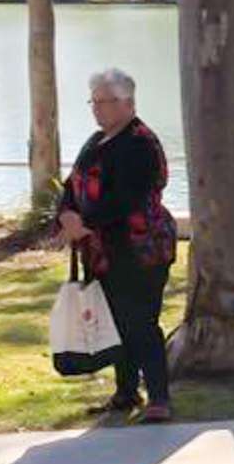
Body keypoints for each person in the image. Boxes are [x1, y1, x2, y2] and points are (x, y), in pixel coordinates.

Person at [57, 68, 177, 423]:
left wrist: (85, 222)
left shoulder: (141, 143)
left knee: (140, 323)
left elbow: (127, 198)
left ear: (128, 103)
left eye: (105, 102)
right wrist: (66, 215)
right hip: (102, 252)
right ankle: (126, 393)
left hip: (141, 251)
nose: (97, 109)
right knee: (115, 323)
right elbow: (72, 185)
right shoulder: (96, 142)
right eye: (94, 101)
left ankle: (160, 397)